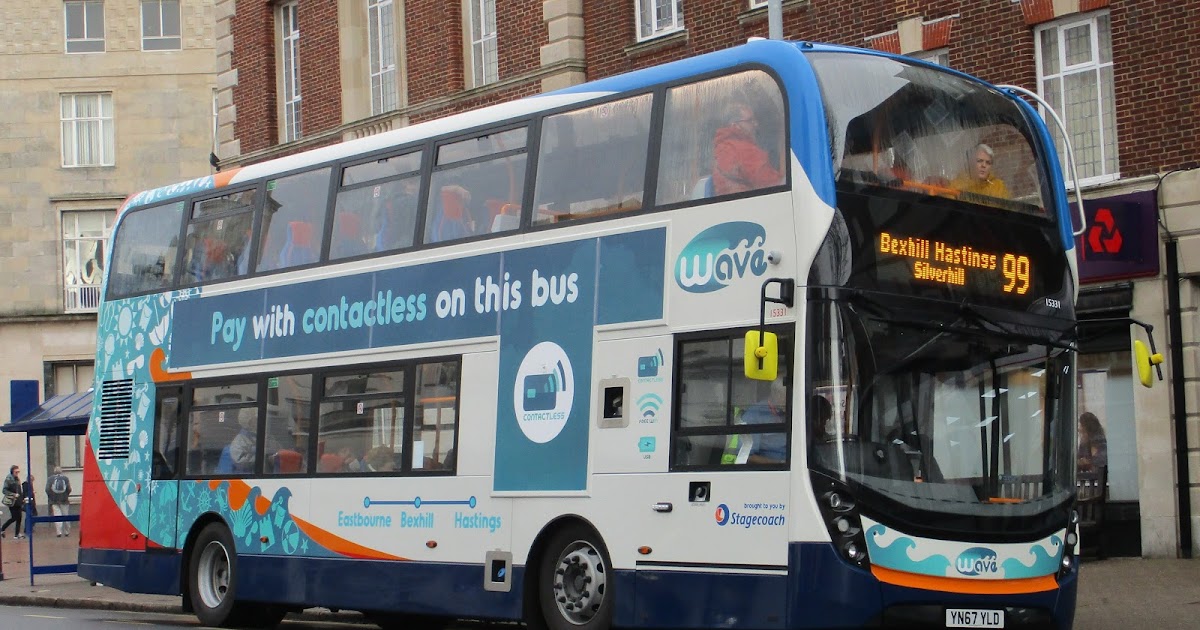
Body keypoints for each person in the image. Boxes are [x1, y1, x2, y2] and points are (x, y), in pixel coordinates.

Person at [712, 101, 783, 196]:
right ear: (735, 125)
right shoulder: (744, 151)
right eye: (750, 121)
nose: (756, 124)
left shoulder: (723, 148)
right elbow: (773, 183)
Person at [740, 379, 789, 465]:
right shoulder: (755, 414)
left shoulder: (785, 411)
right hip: (773, 468)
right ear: (776, 394)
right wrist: (780, 463)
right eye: (787, 396)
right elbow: (748, 455)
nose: (790, 401)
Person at [46, 466, 72, 537]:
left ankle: (59, 532)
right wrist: (66, 495)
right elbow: (69, 489)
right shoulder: (65, 478)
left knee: (57, 516)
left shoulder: (50, 479)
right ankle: (67, 531)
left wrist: (51, 496)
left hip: (54, 501)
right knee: (66, 515)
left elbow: (47, 489)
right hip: (64, 500)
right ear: (61, 471)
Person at [1, 465, 24, 539]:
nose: (17, 473)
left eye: (18, 472)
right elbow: (4, 490)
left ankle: (17, 534)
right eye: (16, 472)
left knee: (19, 517)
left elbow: (19, 490)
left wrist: (21, 498)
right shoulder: (9, 479)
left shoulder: (17, 479)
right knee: (14, 517)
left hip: (18, 501)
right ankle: (3, 528)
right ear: (12, 471)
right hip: (12, 501)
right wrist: (13, 495)